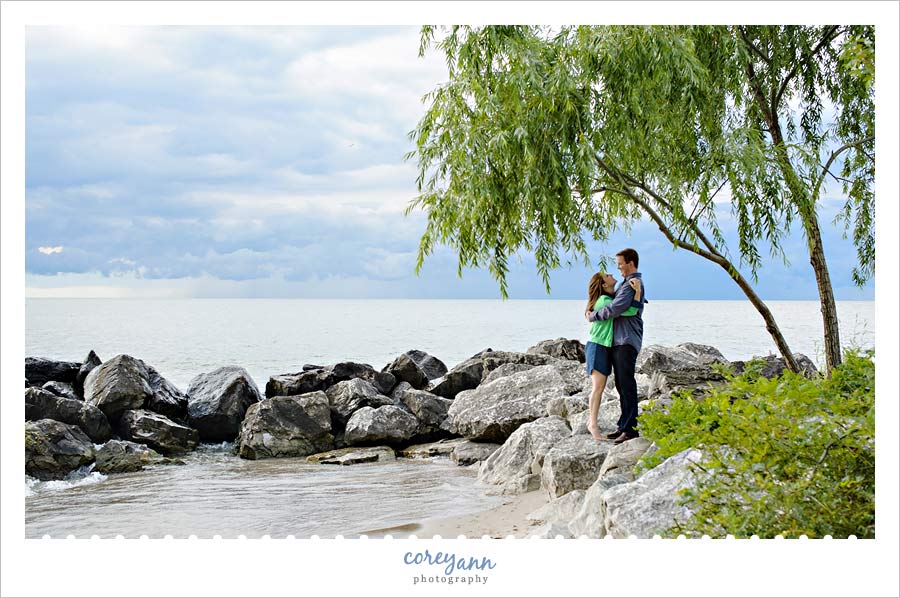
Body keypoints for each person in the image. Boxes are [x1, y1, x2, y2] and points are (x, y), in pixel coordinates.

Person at [586, 248, 646, 445]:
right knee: (621, 384)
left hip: (625, 340)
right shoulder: (626, 284)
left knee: (626, 384)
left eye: (620, 263)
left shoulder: (631, 285)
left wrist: (592, 316)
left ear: (630, 263)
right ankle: (624, 426)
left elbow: (616, 309)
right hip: (619, 340)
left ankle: (630, 430)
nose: (618, 267)